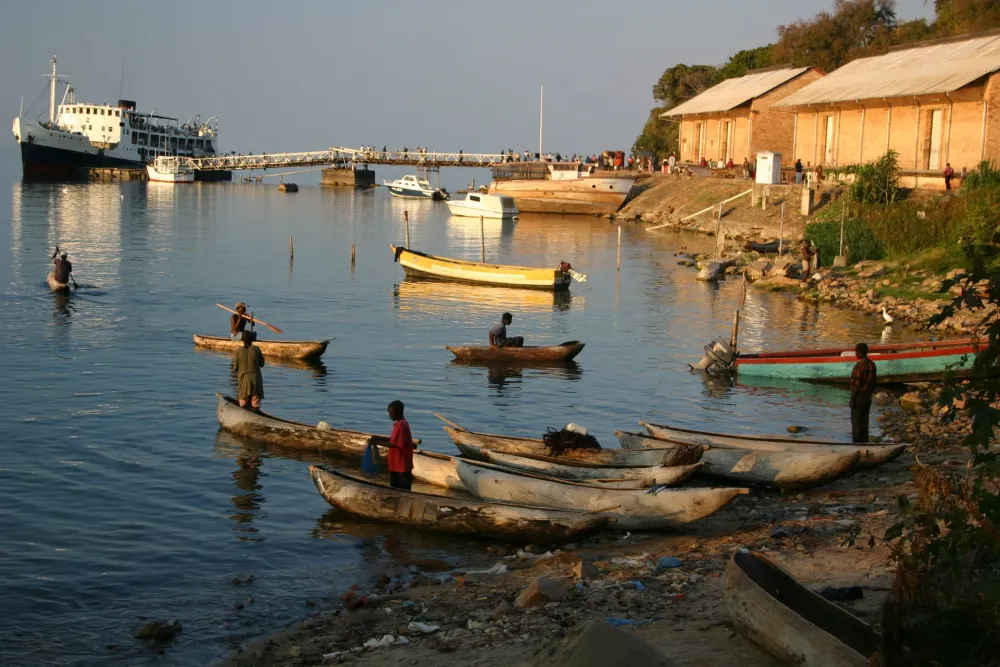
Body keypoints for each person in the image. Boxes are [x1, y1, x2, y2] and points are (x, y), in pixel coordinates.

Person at [849, 342, 877, 443]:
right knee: (864, 422)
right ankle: (864, 443)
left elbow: (856, 385)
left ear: (860, 352)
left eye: (856, 351)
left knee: (856, 423)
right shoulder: (872, 365)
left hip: (859, 397)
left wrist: (852, 399)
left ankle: (856, 444)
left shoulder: (859, 366)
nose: (855, 353)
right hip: (867, 397)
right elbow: (874, 382)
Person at [232, 330, 265, 412]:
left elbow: (235, 368)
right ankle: (256, 414)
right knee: (255, 403)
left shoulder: (238, 351)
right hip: (256, 379)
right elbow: (262, 364)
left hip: (243, 380)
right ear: (252, 340)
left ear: (242, 340)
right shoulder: (256, 349)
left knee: (243, 403)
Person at [386, 400, 414, 490]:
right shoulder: (401, 423)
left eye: (391, 413)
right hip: (397, 463)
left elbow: (394, 444)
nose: (390, 415)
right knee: (396, 487)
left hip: (401, 465)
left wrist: (376, 443)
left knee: (401, 489)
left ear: (398, 412)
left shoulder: (401, 425)